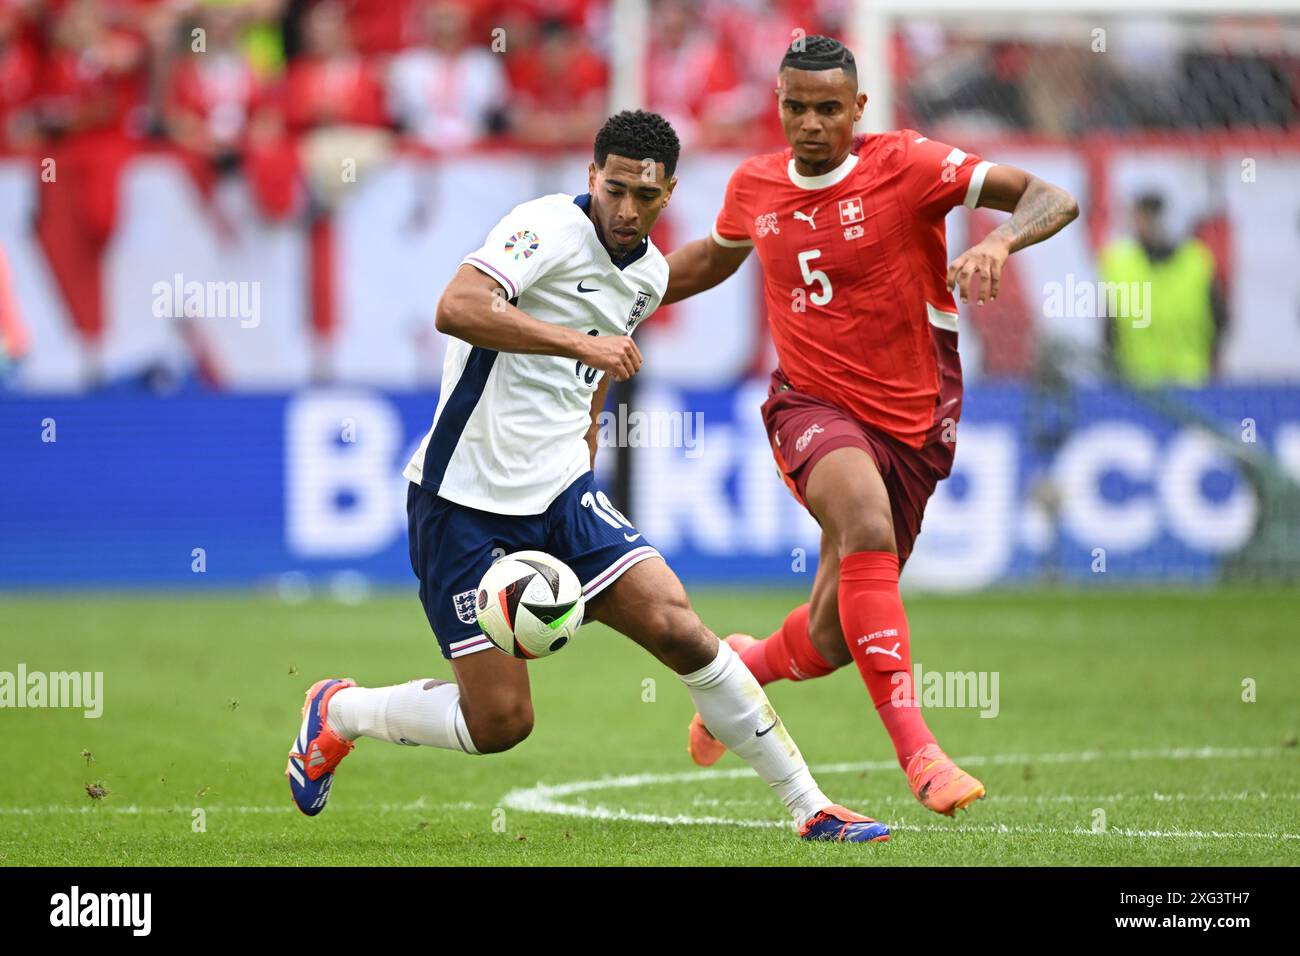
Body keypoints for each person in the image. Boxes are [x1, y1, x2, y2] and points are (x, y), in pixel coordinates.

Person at [286, 110, 890, 843]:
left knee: (682, 630)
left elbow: (598, 367)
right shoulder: (542, 227)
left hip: (562, 496)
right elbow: (458, 307)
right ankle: (340, 712)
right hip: (462, 503)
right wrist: (580, 341)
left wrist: (589, 437)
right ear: (591, 178)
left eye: (647, 196)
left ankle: (809, 805)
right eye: (615, 190)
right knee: (501, 723)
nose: (628, 209)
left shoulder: (651, 275)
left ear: (669, 194)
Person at [664, 36, 1079, 816]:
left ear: (859, 108)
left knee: (828, 638)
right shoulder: (754, 185)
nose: (812, 124)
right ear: (778, 106)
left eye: (829, 108)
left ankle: (743, 667)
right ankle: (920, 755)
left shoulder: (909, 166)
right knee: (862, 519)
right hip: (810, 407)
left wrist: (997, 238)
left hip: (915, 420)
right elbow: (710, 263)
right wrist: (626, 289)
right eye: (796, 107)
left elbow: (1053, 197)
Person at [1100, 192, 1225, 387]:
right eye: (1142, 216)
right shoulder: (1119, 265)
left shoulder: (1197, 263)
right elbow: (1109, 333)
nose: (1147, 224)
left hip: (1193, 386)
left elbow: (1221, 321)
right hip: (1139, 390)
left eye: (1152, 216)